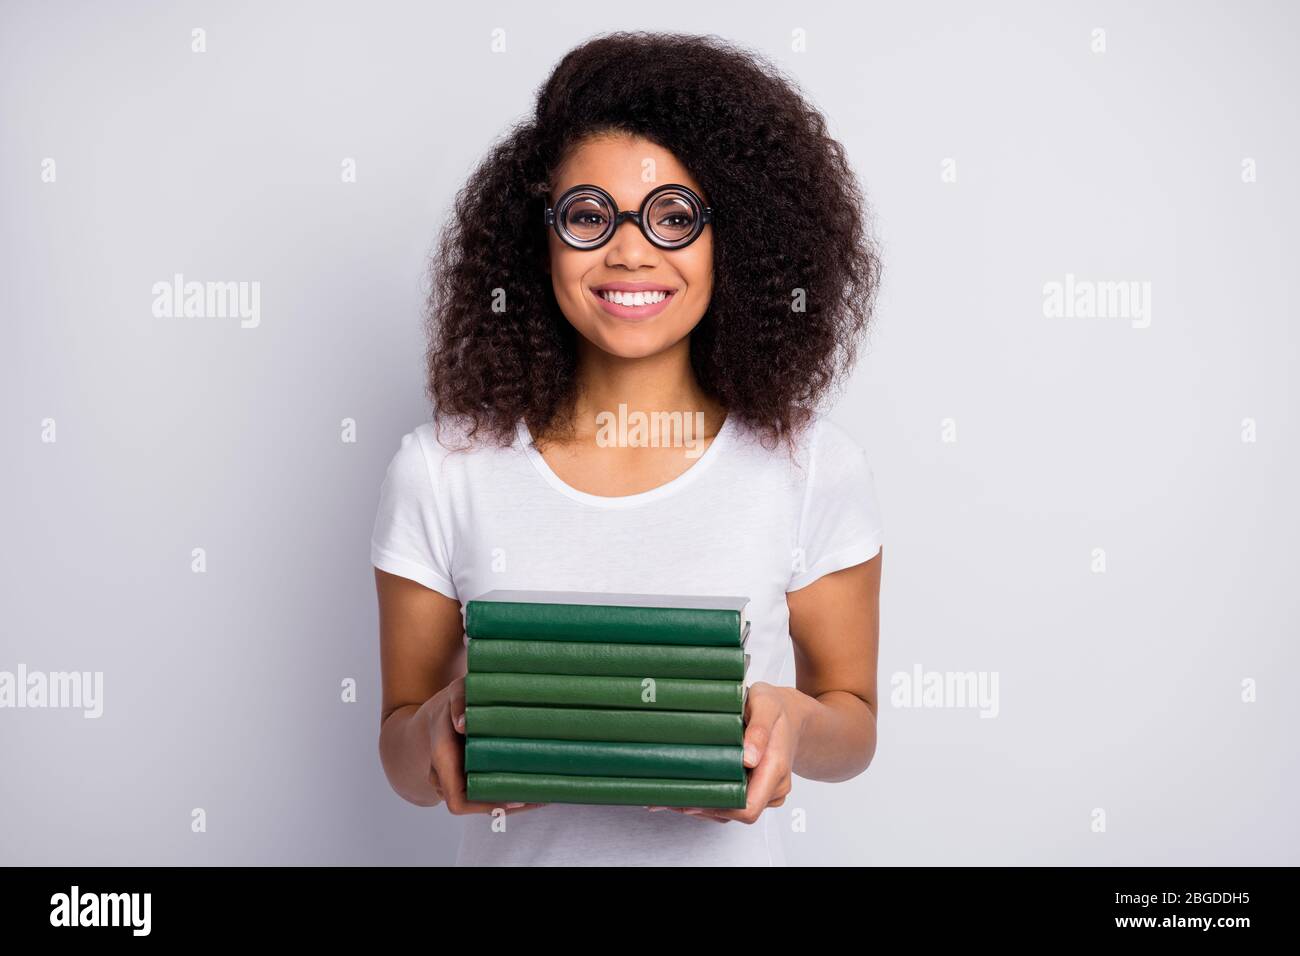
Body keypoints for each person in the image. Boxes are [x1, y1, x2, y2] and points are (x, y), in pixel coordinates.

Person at [370, 31, 884, 866]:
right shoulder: (439, 470)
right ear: (537, 237)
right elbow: (399, 746)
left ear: (738, 238)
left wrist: (790, 722)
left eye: (675, 217)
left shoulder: (811, 466)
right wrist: (437, 730)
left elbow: (852, 723)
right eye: (588, 216)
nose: (631, 250)